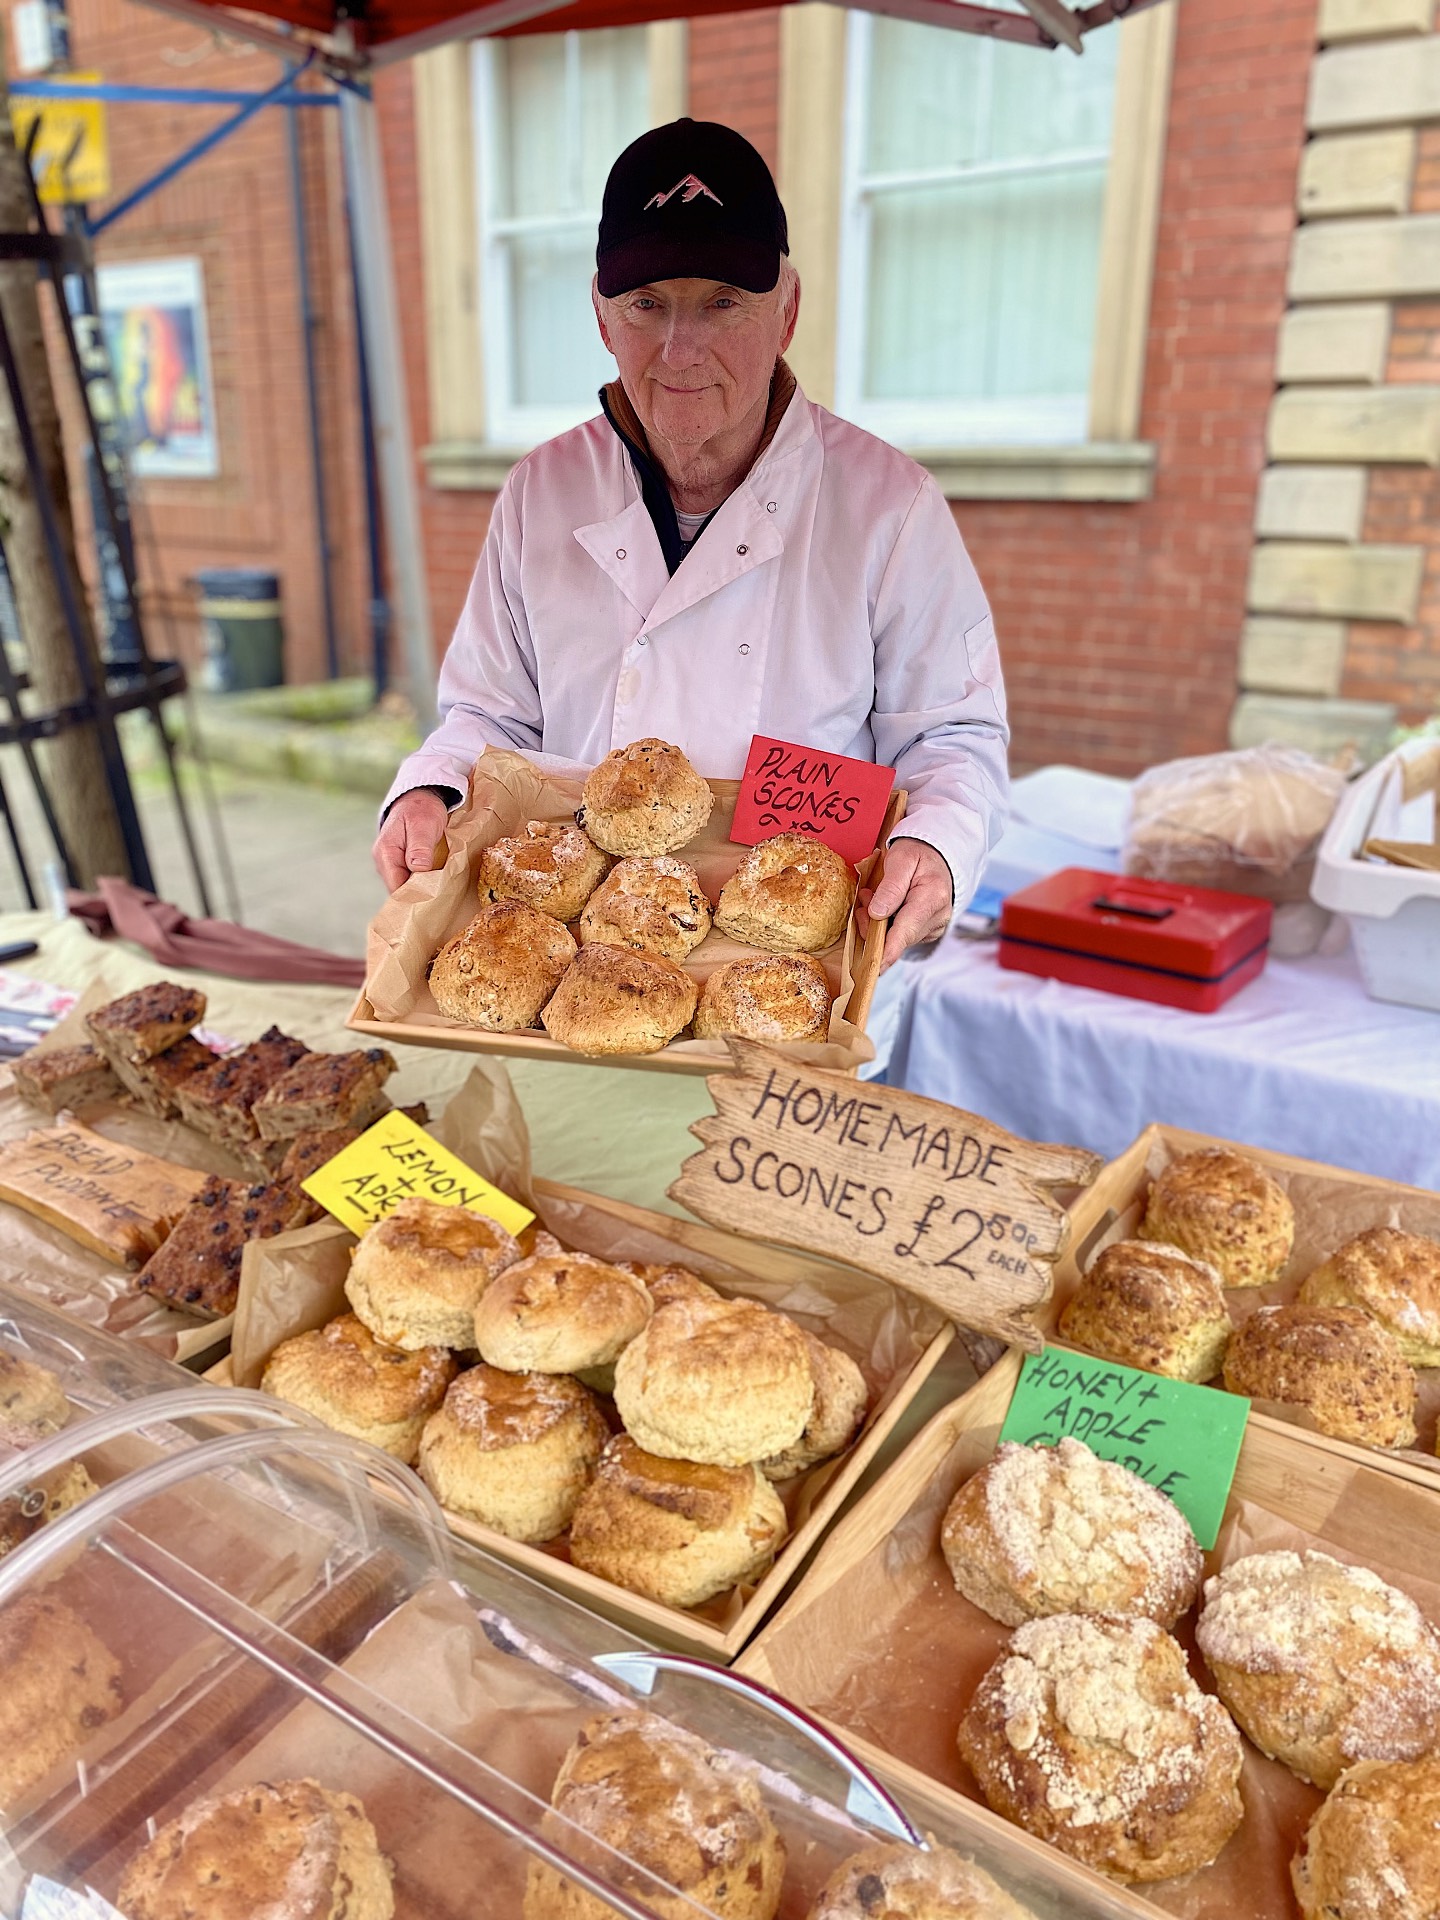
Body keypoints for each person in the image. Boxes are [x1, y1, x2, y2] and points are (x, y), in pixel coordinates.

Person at [375, 118, 1008, 967]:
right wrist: (428, 788)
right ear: (602, 318)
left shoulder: (889, 505)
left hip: (795, 968)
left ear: (787, 311)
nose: (680, 350)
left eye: (722, 303)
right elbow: (489, 716)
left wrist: (936, 845)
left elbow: (952, 736)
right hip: (575, 955)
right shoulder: (541, 492)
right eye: (647, 304)